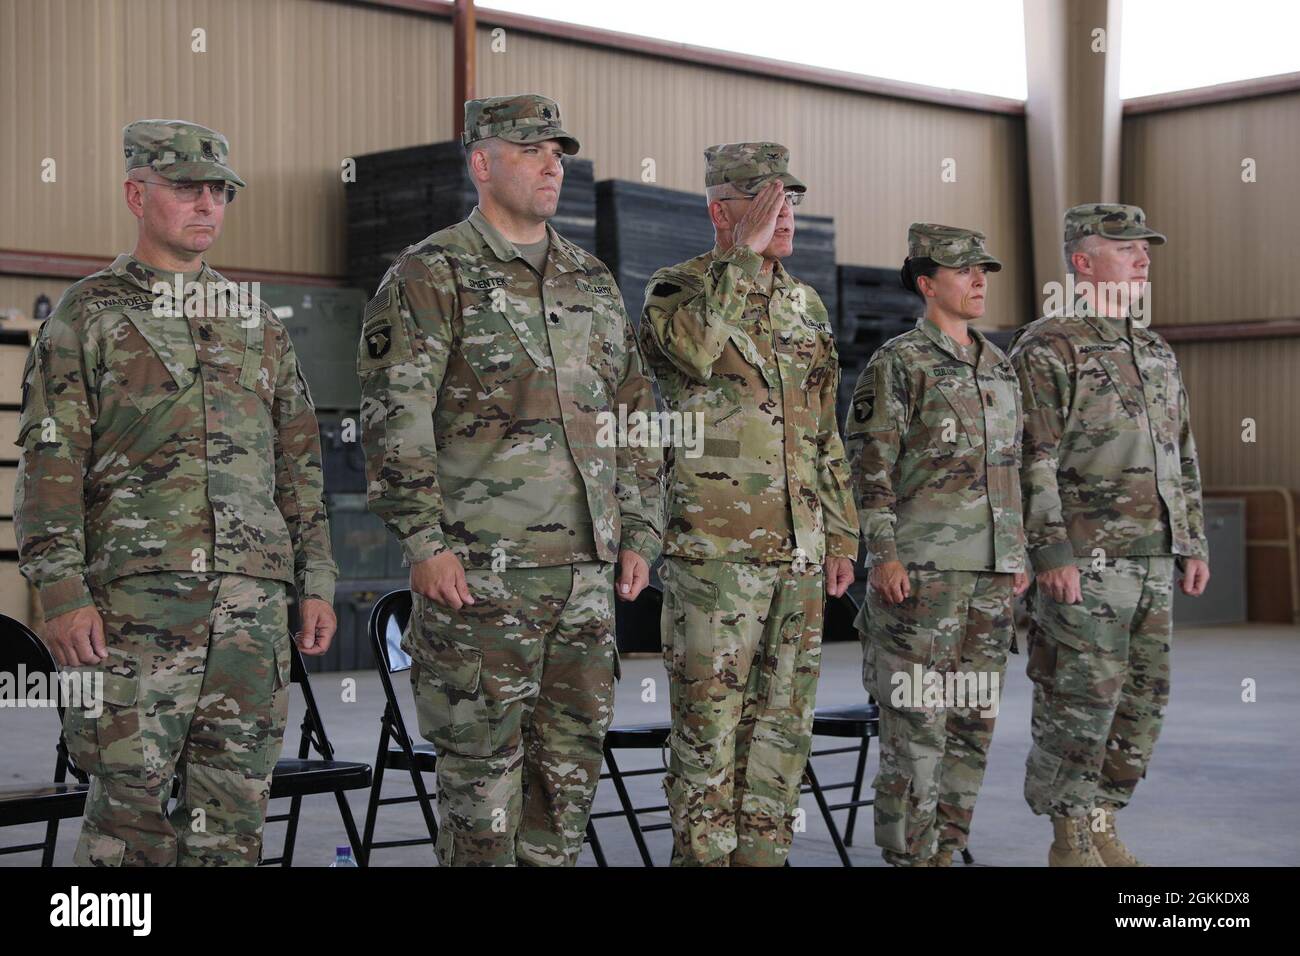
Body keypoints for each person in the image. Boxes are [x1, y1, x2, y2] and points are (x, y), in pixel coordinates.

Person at [14, 119, 337, 866]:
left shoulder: (256, 322)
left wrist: (316, 579)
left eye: (218, 190)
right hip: (135, 612)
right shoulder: (87, 315)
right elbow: (50, 460)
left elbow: (299, 463)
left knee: (232, 820)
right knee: (126, 824)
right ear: (137, 193)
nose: (206, 204)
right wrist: (60, 591)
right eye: (187, 188)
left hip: (252, 614)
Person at [358, 94, 663, 866]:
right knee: (482, 799)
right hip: (480, 582)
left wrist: (641, 530)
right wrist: (425, 543)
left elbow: (633, 413)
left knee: (566, 787)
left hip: (585, 585)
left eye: (557, 151)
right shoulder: (431, 275)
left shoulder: (591, 281)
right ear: (482, 163)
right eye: (532, 150)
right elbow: (397, 420)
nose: (552, 164)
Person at [639, 142, 858, 866]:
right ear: (720, 210)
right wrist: (742, 257)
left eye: (789, 199)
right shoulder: (677, 289)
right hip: (716, 556)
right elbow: (696, 352)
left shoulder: (805, 304)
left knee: (782, 734)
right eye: (766, 200)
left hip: (800, 550)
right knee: (710, 731)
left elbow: (823, 427)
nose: (784, 213)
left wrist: (843, 535)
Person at [1010, 203, 1210, 866]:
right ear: (1083, 262)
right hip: (1084, 562)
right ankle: (1068, 838)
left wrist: (1192, 540)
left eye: (1144, 248)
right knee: (1080, 697)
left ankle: (1102, 821)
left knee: (1142, 700)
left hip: (1153, 558)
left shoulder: (1154, 351)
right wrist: (1050, 552)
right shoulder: (1049, 346)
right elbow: (1029, 455)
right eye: (1127, 249)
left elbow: (1181, 452)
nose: (1143, 258)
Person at [847, 223, 1028, 867]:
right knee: (916, 731)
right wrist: (883, 552)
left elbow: (1013, 468)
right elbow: (869, 466)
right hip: (921, 577)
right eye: (963, 271)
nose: (979, 281)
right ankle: (909, 858)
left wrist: (1017, 555)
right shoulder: (899, 363)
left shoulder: (998, 365)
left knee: (972, 729)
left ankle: (947, 852)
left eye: (984, 270)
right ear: (927, 284)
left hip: (991, 577)